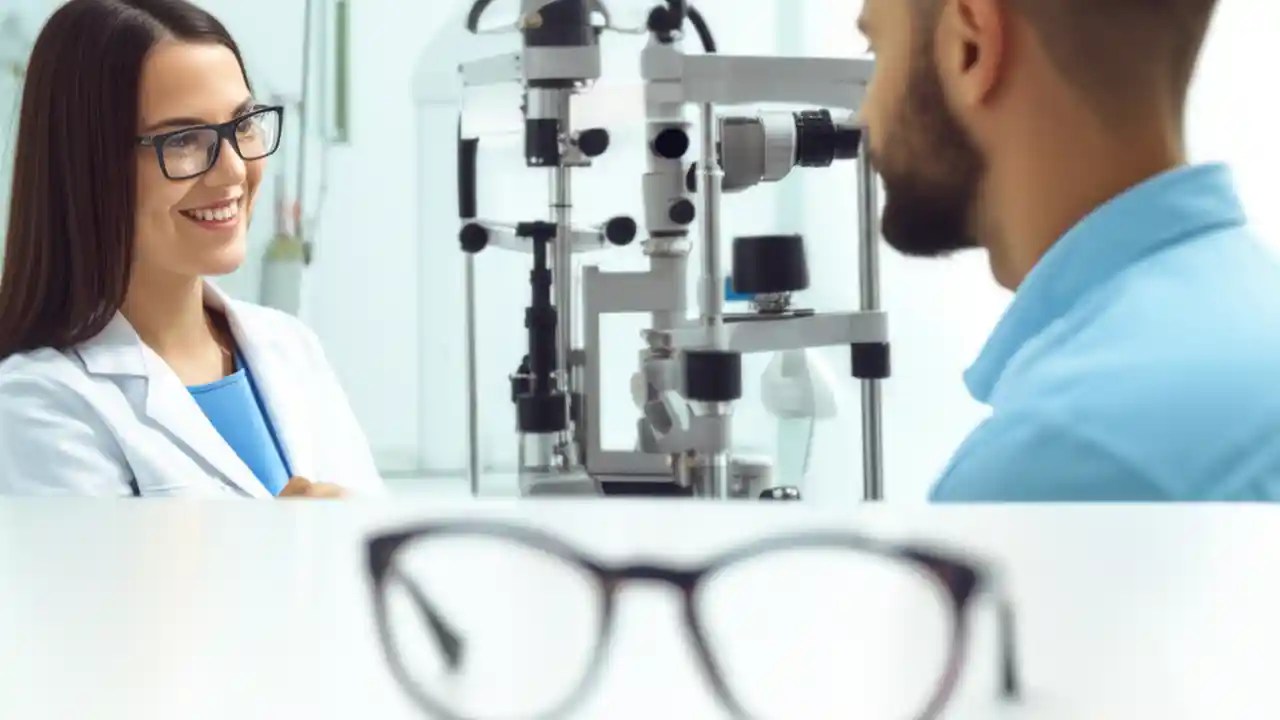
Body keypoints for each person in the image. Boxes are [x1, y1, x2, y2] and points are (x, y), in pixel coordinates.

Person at [858, 0, 1280, 501]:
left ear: (971, 47)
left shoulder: (1062, 458)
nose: (864, 116)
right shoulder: (1255, 314)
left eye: (877, 51)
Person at [0, 0, 384, 498]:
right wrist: (291, 533)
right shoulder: (39, 403)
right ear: (87, 166)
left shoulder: (290, 347)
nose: (234, 170)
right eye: (183, 139)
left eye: (243, 124)